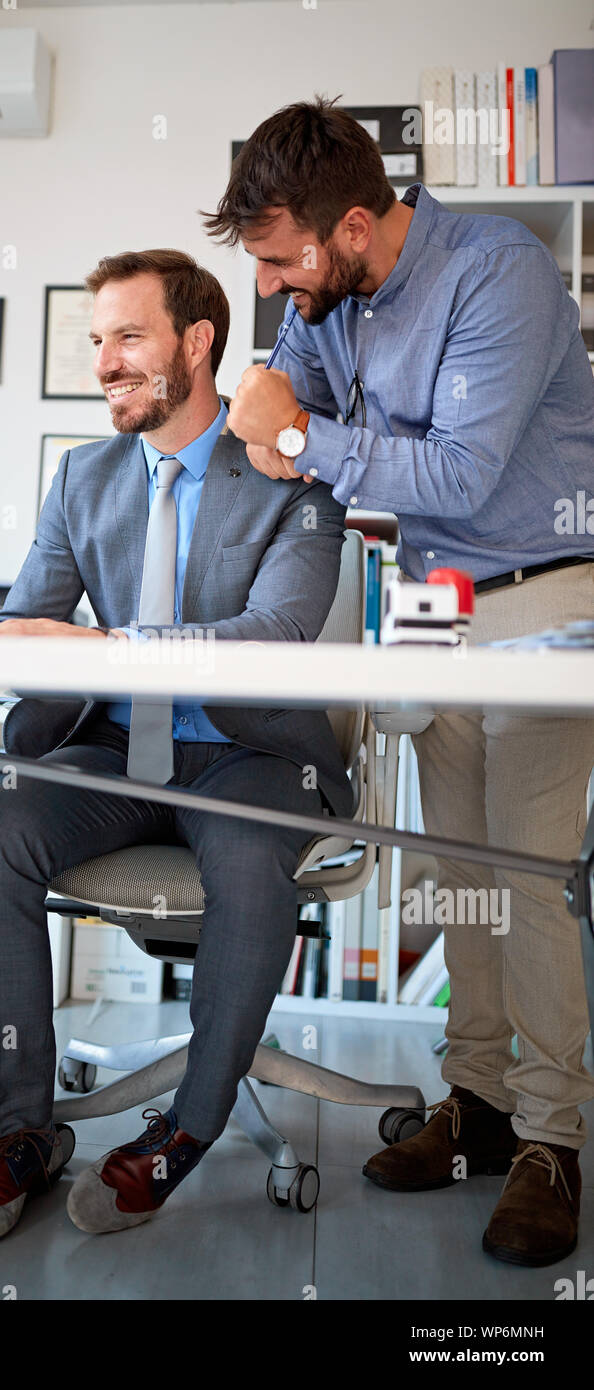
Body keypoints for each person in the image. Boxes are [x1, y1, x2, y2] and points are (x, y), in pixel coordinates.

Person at [0, 248, 351, 1246]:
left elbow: (272, 637)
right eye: (95, 341)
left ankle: (183, 1130)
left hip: (250, 755)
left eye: (127, 337)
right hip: (118, 748)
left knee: (253, 861)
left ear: (195, 340)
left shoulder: (288, 475)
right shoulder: (82, 476)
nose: (103, 363)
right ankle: (23, 1133)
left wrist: (107, 639)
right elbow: (29, 619)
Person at [208, 95, 594, 1267]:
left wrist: (298, 438)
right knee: (454, 872)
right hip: (433, 608)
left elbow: (464, 475)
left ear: (357, 225)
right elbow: (277, 405)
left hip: (544, 591)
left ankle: (552, 1140)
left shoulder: (497, 271)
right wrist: (272, 425)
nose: (272, 288)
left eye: (281, 260)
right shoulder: (330, 302)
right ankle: (475, 1106)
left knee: (526, 878)